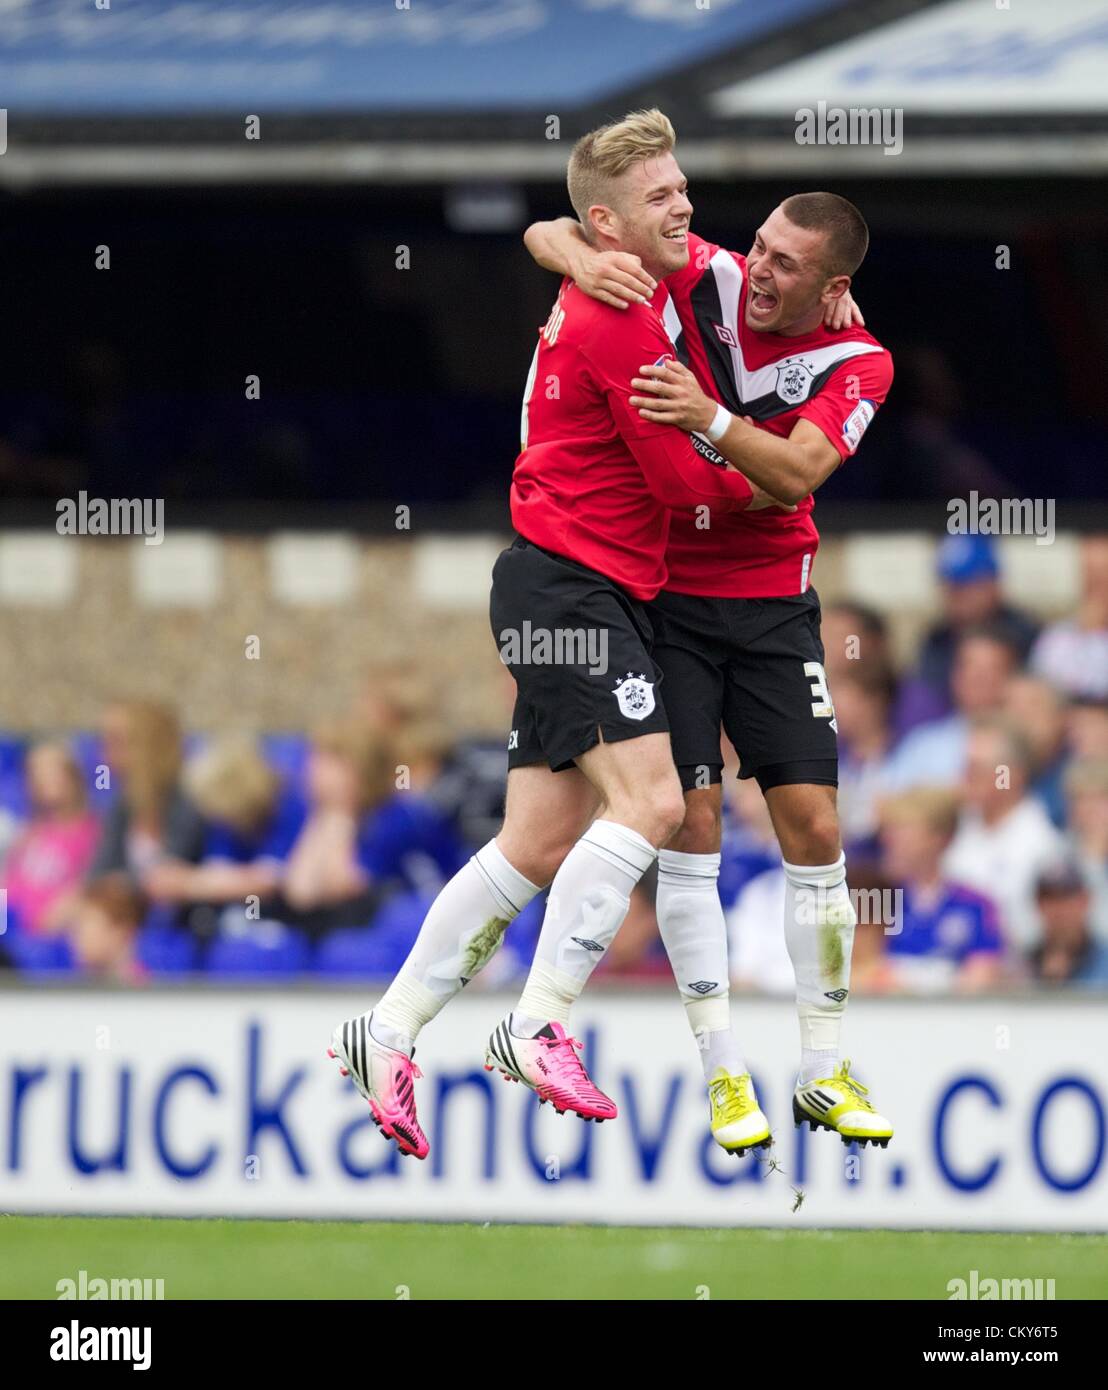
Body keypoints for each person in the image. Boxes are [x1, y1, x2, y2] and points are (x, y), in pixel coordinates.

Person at [329, 110, 770, 1160]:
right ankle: (536, 1024)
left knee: (534, 840)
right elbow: (676, 480)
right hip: (573, 591)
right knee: (654, 800)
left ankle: (384, 1030)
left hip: (562, 585)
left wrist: (558, 236)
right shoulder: (618, 317)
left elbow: (690, 257)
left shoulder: (635, 272)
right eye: (662, 196)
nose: (686, 206)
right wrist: (775, 467)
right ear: (613, 221)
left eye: (682, 188)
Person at [527, 179, 895, 1146]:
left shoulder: (859, 358)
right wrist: (573, 255)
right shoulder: (714, 275)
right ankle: (723, 1072)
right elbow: (554, 224)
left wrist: (705, 415)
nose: (759, 268)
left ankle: (823, 1067)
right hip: (670, 600)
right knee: (689, 826)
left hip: (774, 605)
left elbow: (798, 476)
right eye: (762, 246)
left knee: (813, 823)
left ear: (835, 286)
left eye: (787, 263)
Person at [942, 717, 1068, 951]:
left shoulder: (1042, 846)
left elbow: (1036, 938)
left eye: (976, 769)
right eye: (965, 767)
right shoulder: (954, 825)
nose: (965, 778)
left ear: (1011, 776)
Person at [877, 789, 1004, 994]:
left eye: (902, 831)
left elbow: (981, 980)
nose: (889, 841)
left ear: (939, 838)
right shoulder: (876, 902)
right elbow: (860, 976)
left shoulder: (976, 905)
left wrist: (901, 980)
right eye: (889, 831)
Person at [2, 741, 99, 936]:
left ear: (73, 777)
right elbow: (8, 879)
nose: (44, 780)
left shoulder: (92, 831)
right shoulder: (31, 831)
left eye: (53, 772)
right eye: (37, 774)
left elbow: (88, 886)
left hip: (52, 930)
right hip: (11, 923)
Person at [1031, 535, 1108, 700]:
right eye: (1090, 573)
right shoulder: (1057, 636)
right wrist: (1088, 633)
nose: (1096, 585)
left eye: (1103, 574)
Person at [1028, 858, 1108, 986]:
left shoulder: (1104, 960)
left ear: (1085, 900)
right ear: (1038, 905)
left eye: (1067, 898)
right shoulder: (1024, 963)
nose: (1059, 910)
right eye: (1050, 899)